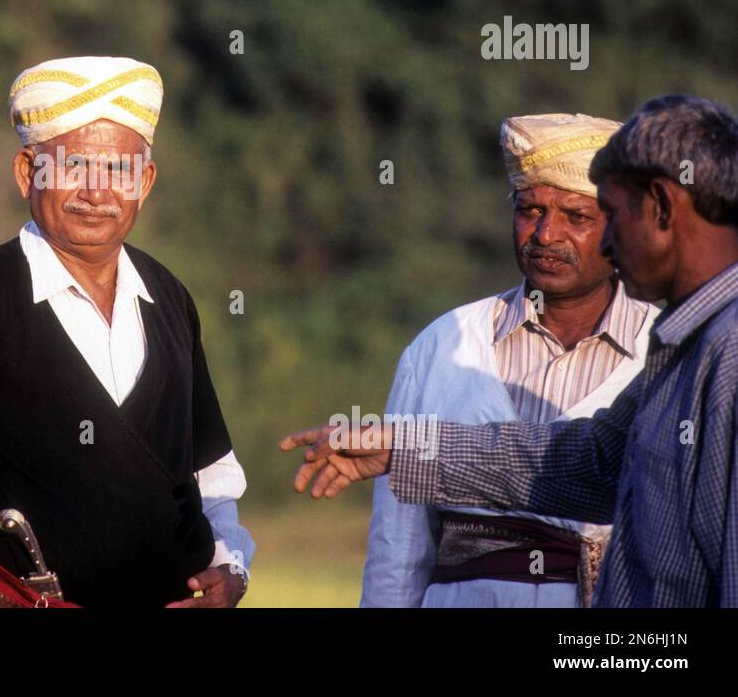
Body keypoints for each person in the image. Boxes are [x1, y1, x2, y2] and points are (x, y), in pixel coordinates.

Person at [283, 95, 738, 607]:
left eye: (604, 215)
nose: (607, 243)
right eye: (531, 211)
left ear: (661, 205)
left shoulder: (727, 350)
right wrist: (403, 449)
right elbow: (589, 464)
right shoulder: (683, 347)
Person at [0, 56, 254, 607]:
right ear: (27, 172)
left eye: (119, 171)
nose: (97, 193)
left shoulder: (169, 299)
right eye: (72, 167)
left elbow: (210, 473)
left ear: (145, 181)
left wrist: (231, 565)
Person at [363, 113, 658, 607]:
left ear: (620, 228)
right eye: (530, 210)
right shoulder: (442, 347)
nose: (545, 234)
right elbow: (398, 547)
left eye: (576, 217)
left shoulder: (665, 352)